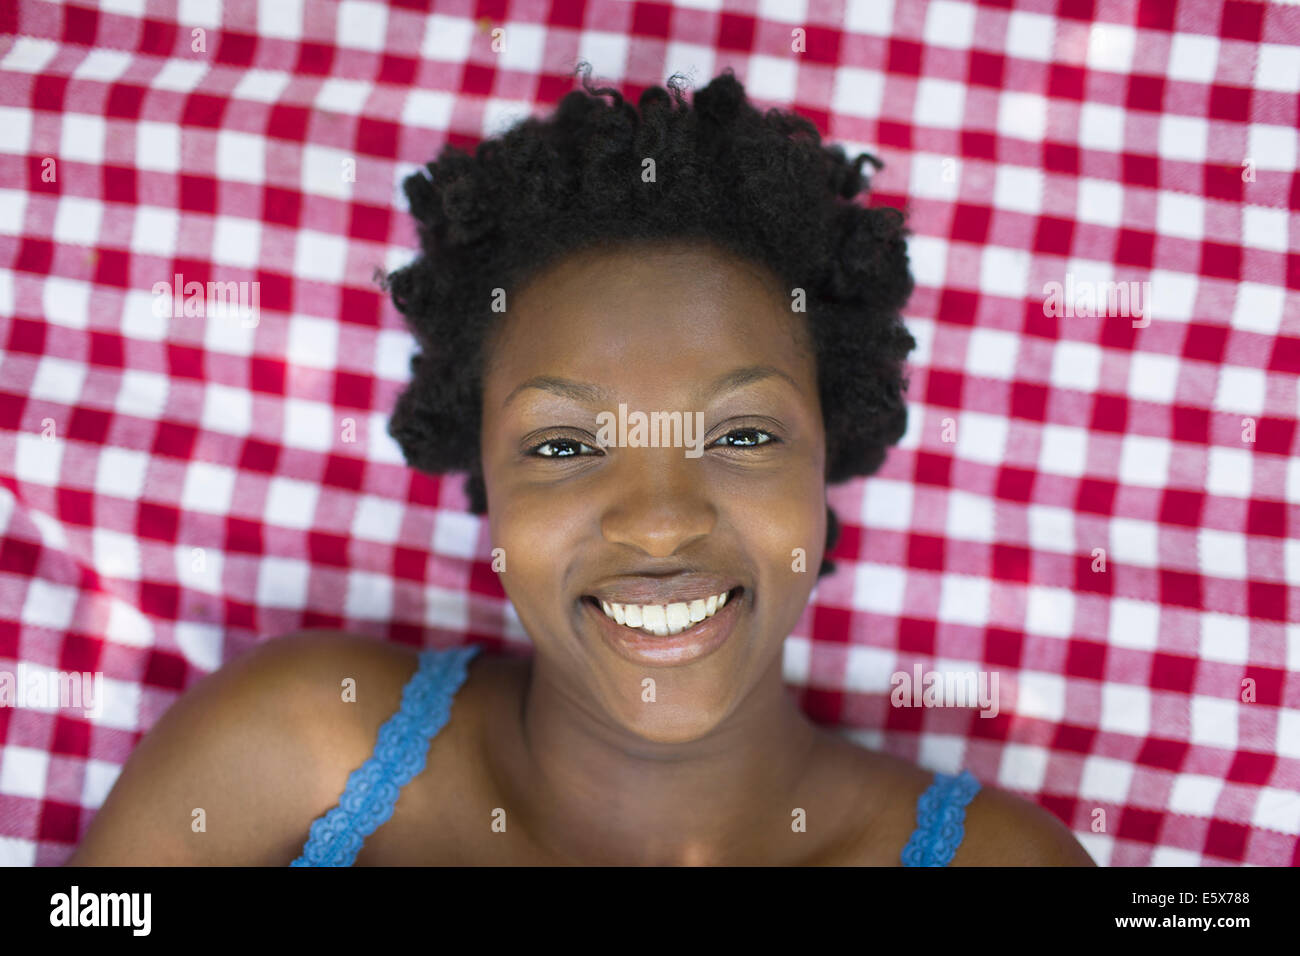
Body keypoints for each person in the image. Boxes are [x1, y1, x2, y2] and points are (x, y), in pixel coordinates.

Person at [68, 63, 1094, 866]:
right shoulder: (295, 746)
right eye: (563, 446)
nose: (657, 521)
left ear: (829, 455)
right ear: (485, 482)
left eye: (740, 435)